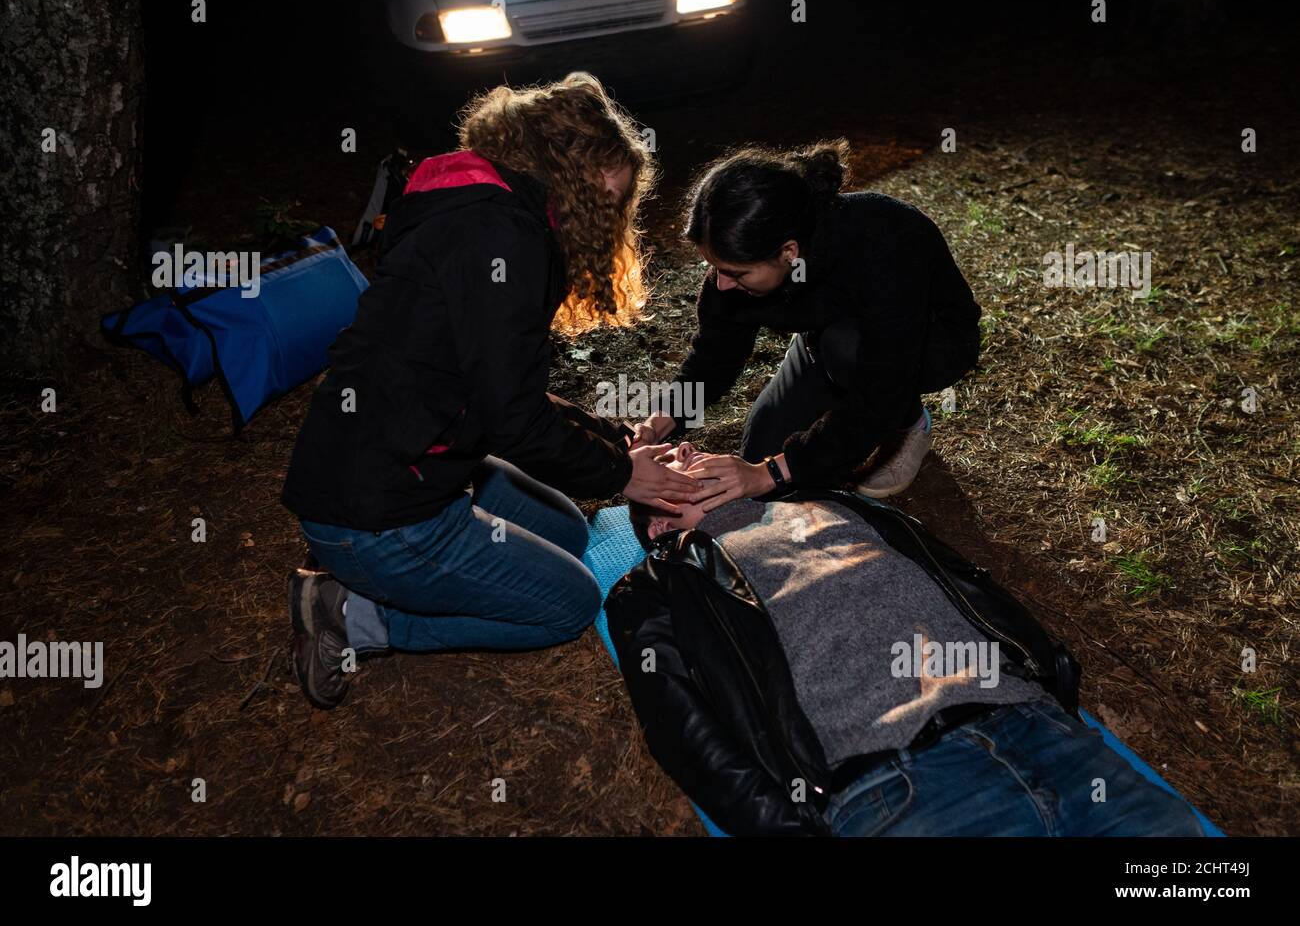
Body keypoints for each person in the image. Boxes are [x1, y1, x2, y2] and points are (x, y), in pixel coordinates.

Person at [280, 73, 703, 709]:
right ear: (577, 181)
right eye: (612, 201)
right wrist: (623, 474)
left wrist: (612, 440)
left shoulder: (480, 207)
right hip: (383, 513)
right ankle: (354, 611)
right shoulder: (508, 238)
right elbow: (512, 418)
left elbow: (501, 389)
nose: (614, 218)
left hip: (393, 460)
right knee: (569, 604)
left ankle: (407, 559)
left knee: (569, 533)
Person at [610, 443, 1206, 837]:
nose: (687, 448)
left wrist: (1051, 683)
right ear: (659, 520)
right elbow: (682, 729)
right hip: (898, 784)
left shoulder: (836, 502)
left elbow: (974, 589)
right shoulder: (660, 584)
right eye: (668, 461)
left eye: (685, 445)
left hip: (1042, 731)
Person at [631, 139, 981, 509]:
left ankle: (910, 424)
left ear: (789, 252)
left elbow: (882, 385)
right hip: (828, 335)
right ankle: (826, 367)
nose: (721, 284)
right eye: (715, 268)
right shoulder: (740, 264)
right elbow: (714, 356)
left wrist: (772, 472)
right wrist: (661, 420)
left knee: (843, 358)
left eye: (735, 273)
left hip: (927, 341)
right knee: (763, 460)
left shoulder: (885, 243)